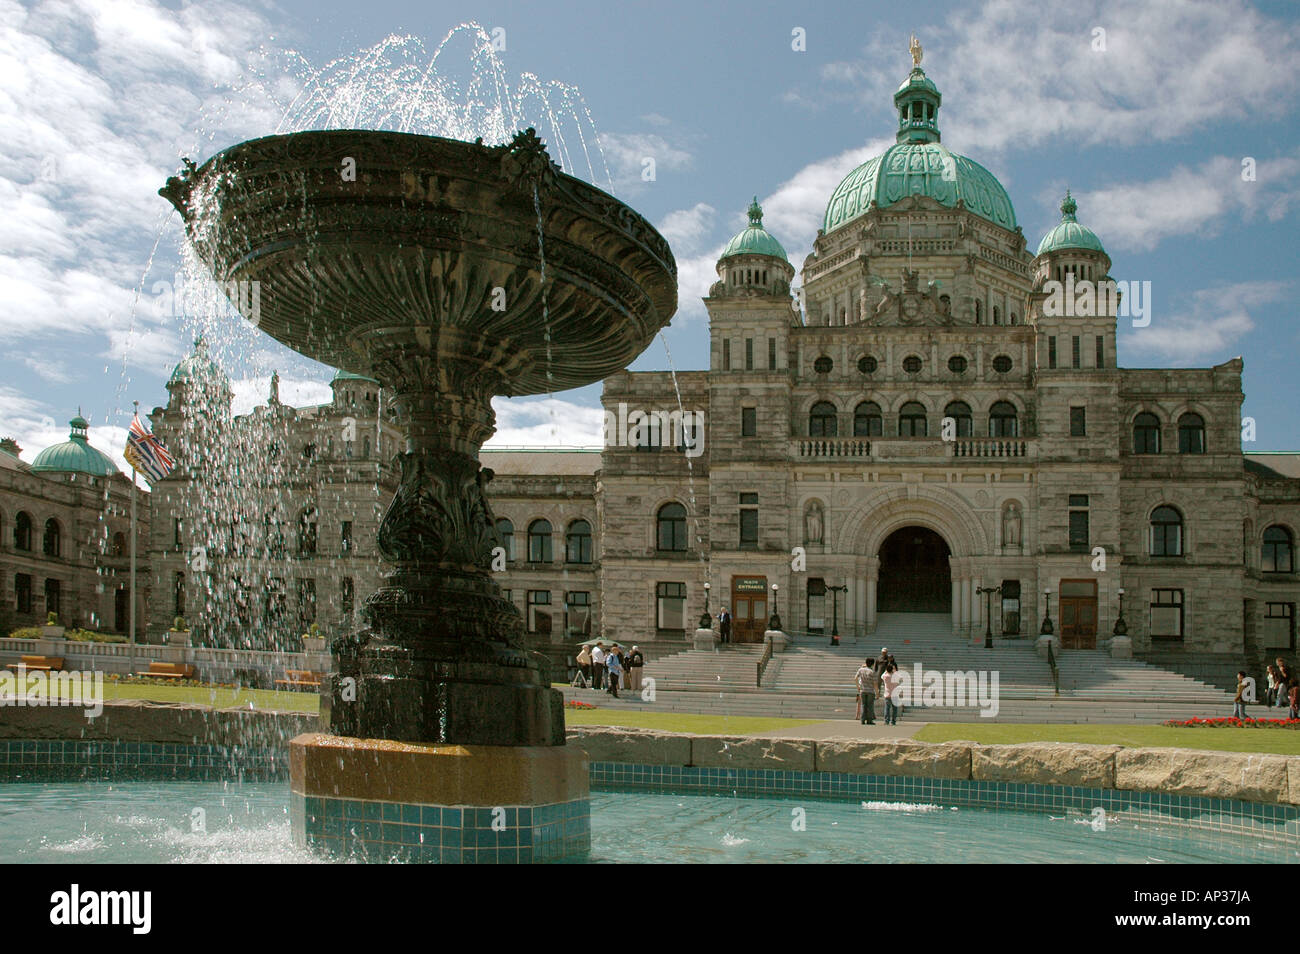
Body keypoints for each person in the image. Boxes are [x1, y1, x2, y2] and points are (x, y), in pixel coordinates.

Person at [855, 658, 880, 725]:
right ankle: (869, 720)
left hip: (863, 690)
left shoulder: (861, 670)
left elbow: (855, 678)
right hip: (870, 691)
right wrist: (877, 693)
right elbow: (875, 684)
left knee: (863, 705)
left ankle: (862, 719)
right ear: (872, 664)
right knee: (870, 706)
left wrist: (858, 687)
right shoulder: (872, 672)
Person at [881, 661, 903, 726]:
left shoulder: (885, 676)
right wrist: (895, 671)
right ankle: (893, 721)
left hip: (887, 694)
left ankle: (886, 721)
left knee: (887, 708)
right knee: (894, 709)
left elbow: (882, 676)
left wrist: (886, 671)